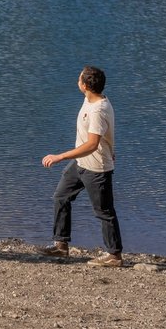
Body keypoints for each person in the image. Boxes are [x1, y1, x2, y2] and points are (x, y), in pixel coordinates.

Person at [42, 64, 124, 267]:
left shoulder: (98, 110)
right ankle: (61, 246)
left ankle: (114, 256)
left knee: (104, 211)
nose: (77, 81)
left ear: (85, 85)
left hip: (96, 168)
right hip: (80, 163)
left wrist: (60, 156)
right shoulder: (90, 98)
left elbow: (92, 144)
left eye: (79, 79)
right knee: (61, 197)